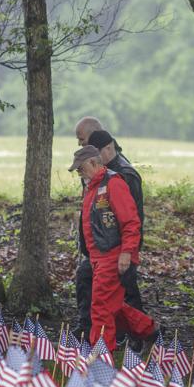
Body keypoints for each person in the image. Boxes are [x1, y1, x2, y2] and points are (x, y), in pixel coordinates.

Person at [68, 145, 157, 351]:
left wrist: (127, 252)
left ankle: (101, 357)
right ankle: (150, 330)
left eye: (80, 168)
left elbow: (131, 221)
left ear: (93, 162)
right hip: (98, 256)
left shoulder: (114, 184)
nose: (79, 173)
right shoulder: (92, 187)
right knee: (113, 306)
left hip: (113, 255)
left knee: (100, 308)